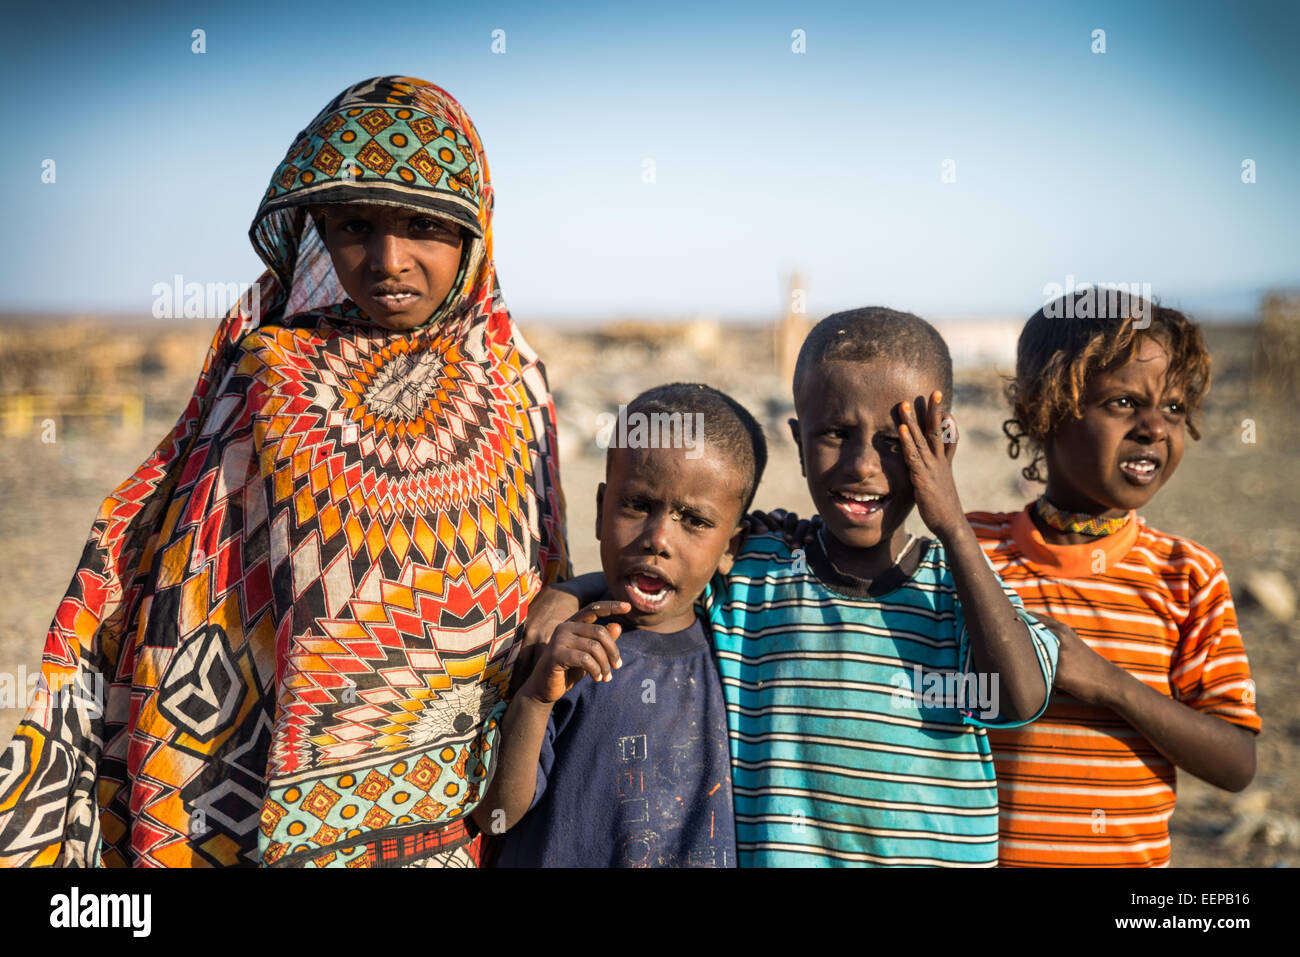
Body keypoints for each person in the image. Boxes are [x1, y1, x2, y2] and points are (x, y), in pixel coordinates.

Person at [0, 76, 568, 868]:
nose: (387, 259)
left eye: (423, 225)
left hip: (468, 813)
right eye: (353, 225)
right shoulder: (273, 374)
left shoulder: (517, 380)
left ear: (474, 233)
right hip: (278, 807)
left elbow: (542, 577)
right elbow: (195, 589)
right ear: (317, 232)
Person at [532, 309, 1060, 866]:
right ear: (799, 441)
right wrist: (578, 591)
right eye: (835, 434)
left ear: (939, 445)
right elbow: (669, 572)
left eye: (892, 440)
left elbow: (1017, 697)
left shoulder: (962, 591)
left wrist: (952, 522)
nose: (862, 465)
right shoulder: (758, 565)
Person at [967, 290, 1259, 867]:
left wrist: (1108, 683)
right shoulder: (971, 551)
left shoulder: (1187, 577)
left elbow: (1236, 763)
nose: (1155, 428)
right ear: (1042, 412)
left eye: (1174, 409)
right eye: (1124, 402)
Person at [478, 384, 765, 867]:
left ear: (732, 547)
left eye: (693, 520)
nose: (658, 539)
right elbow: (497, 817)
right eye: (637, 505)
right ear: (599, 510)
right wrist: (537, 698)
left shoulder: (736, 653)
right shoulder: (567, 650)